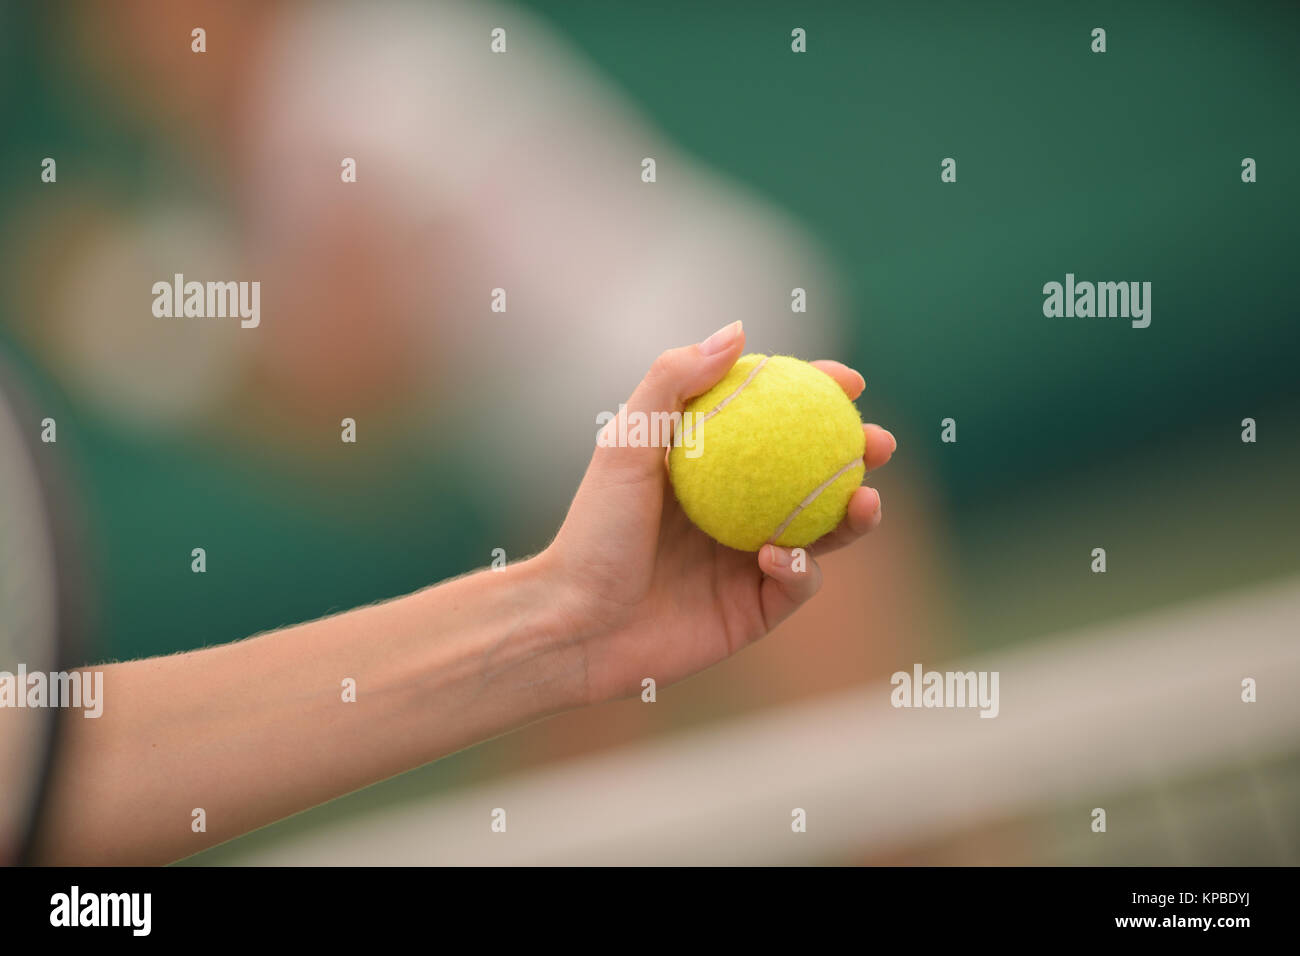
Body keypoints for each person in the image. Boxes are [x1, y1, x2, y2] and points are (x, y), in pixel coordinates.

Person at [30, 322, 894, 865]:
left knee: (883, 803)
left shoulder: (351, 107)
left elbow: (39, 772)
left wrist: (562, 622)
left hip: (587, 432)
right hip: (554, 444)